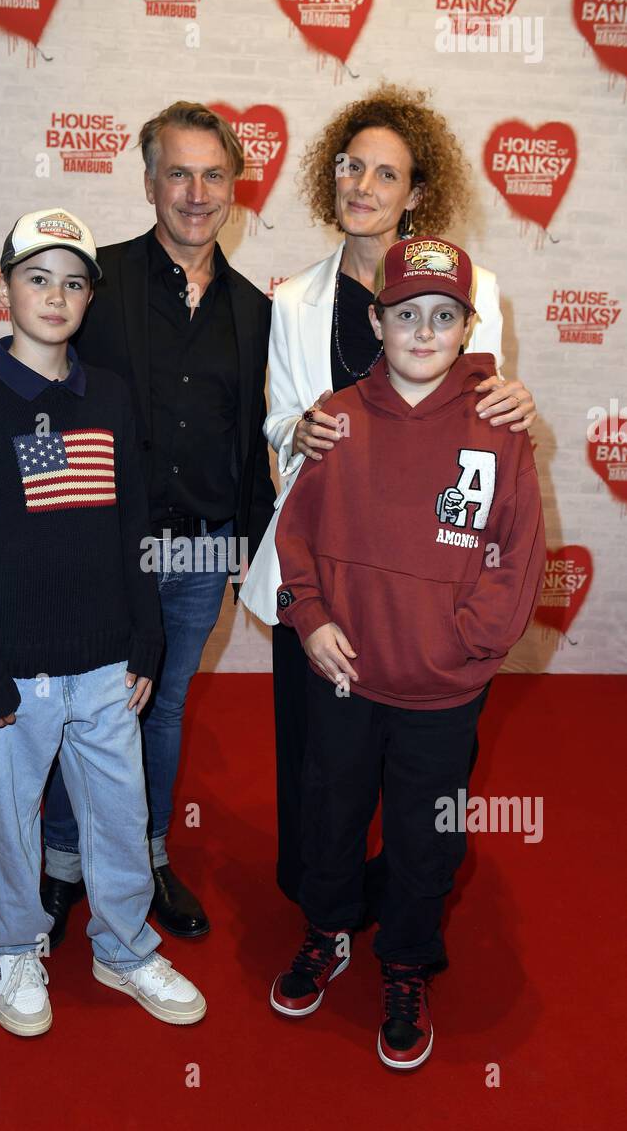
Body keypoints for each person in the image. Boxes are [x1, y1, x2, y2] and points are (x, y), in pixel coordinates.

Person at [239, 83, 538, 904]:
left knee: (420, 763)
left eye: (386, 174)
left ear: (416, 193)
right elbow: (272, 420)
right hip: (327, 572)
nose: (362, 187)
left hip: (426, 575)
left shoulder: (471, 291)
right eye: (351, 167)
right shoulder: (295, 300)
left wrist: (514, 399)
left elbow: (485, 412)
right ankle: (319, 902)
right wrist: (293, 431)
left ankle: (409, 901)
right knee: (319, 754)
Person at [0, 207, 206, 1037]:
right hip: (10, 674)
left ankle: (123, 948)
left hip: (104, 668)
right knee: (9, 826)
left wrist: (146, 638)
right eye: (37, 277)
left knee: (121, 819)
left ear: (90, 299)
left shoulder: (110, 398)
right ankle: (14, 944)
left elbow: (129, 531)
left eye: (74, 282)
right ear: (5, 285)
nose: (55, 296)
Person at [270, 236, 545, 1068]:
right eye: (405, 315)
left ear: (467, 326)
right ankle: (328, 930)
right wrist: (312, 620)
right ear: (377, 321)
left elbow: (518, 555)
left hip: (441, 693)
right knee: (331, 813)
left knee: (430, 838)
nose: (423, 333)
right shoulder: (337, 418)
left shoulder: (498, 428)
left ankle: (407, 961)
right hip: (345, 679)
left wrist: (460, 648)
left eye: (443, 316)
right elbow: (298, 534)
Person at [40, 103, 274, 944]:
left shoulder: (256, 310)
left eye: (214, 174)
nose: (196, 191)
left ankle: (146, 856)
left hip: (201, 547)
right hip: (107, 548)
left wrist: (253, 543)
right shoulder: (94, 283)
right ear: (148, 183)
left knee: (163, 709)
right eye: (179, 172)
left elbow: (252, 436)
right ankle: (63, 863)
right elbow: (46, 402)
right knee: (90, 708)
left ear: (234, 190)